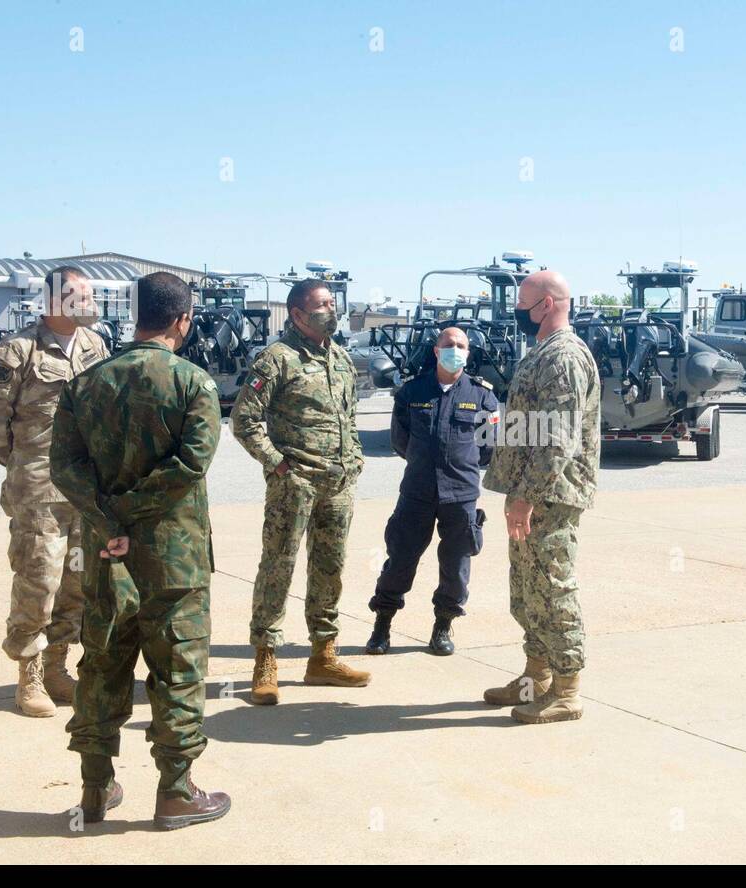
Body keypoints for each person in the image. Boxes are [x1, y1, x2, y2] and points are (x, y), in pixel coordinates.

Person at [51, 270, 229, 830]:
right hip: (173, 559)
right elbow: (189, 465)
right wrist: (134, 511)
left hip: (107, 553)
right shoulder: (193, 384)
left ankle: (95, 791)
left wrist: (109, 518)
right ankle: (176, 791)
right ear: (182, 319)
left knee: (103, 661)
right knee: (178, 666)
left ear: (137, 316)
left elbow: (65, 467)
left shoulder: (85, 384)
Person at [0, 265, 109, 717]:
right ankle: (27, 674)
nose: (89, 303)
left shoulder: (95, 345)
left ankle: (56, 667)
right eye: (80, 296)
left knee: (77, 581)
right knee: (39, 579)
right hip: (39, 491)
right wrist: (19, 463)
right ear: (53, 302)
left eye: (91, 296)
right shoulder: (18, 351)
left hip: (84, 491)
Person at [230, 278, 368, 706]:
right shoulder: (277, 360)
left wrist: (355, 458)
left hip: (338, 483)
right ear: (297, 314)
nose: (332, 310)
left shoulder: (341, 359)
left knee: (330, 568)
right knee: (279, 566)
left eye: (333, 303)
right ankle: (265, 659)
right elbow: (244, 421)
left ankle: (323, 655)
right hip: (296, 485)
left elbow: (349, 417)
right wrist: (278, 465)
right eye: (322, 304)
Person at [482, 270, 600, 723]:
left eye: (523, 303)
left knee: (553, 590)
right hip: (530, 492)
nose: (517, 312)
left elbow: (558, 438)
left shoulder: (564, 357)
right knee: (527, 591)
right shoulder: (542, 353)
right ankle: (536, 678)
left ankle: (567, 691)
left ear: (547, 304)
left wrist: (526, 497)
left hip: (550, 495)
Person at [367, 326, 500, 655]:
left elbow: (487, 448)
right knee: (399, 561)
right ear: (436, 350)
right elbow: (401, 441)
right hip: (417, 492)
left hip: (461, 494)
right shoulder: (412, 392)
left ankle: (442, 627)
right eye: (449, 344)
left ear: (469, 354)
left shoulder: (483, 395)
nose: (455, 349)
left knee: (456, 568)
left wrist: (459, 464)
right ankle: (382, 626)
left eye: (462, 345)